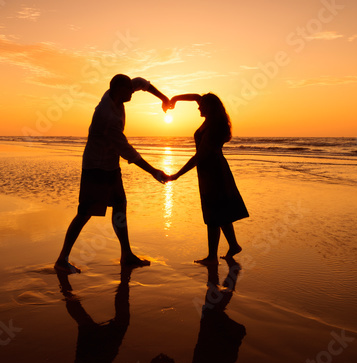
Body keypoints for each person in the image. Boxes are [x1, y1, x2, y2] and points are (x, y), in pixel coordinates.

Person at [55, 74, 170, 274]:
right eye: (129, 90)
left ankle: (126, 255)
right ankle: (62, 259)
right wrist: (153, 171)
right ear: (119, 89)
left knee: (120, 206)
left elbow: (142, 83)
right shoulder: (106, 115)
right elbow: (126, 150)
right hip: (95, 167)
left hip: (111, 166)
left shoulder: (119, 92)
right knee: (85, 213)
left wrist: (163, 98)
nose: (132, 93)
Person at [166, 93, 248, 264]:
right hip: (210, 170)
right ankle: (233, 245)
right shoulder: (212, 118)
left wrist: (177, 174)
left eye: (201, 105)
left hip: (213, 172)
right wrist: (175, 98)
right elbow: (196, 96)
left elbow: (199, 156)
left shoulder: (213, 127)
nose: (198, 107)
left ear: (209, 107)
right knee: (220, 212)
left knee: (213, 214)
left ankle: (212, 257)